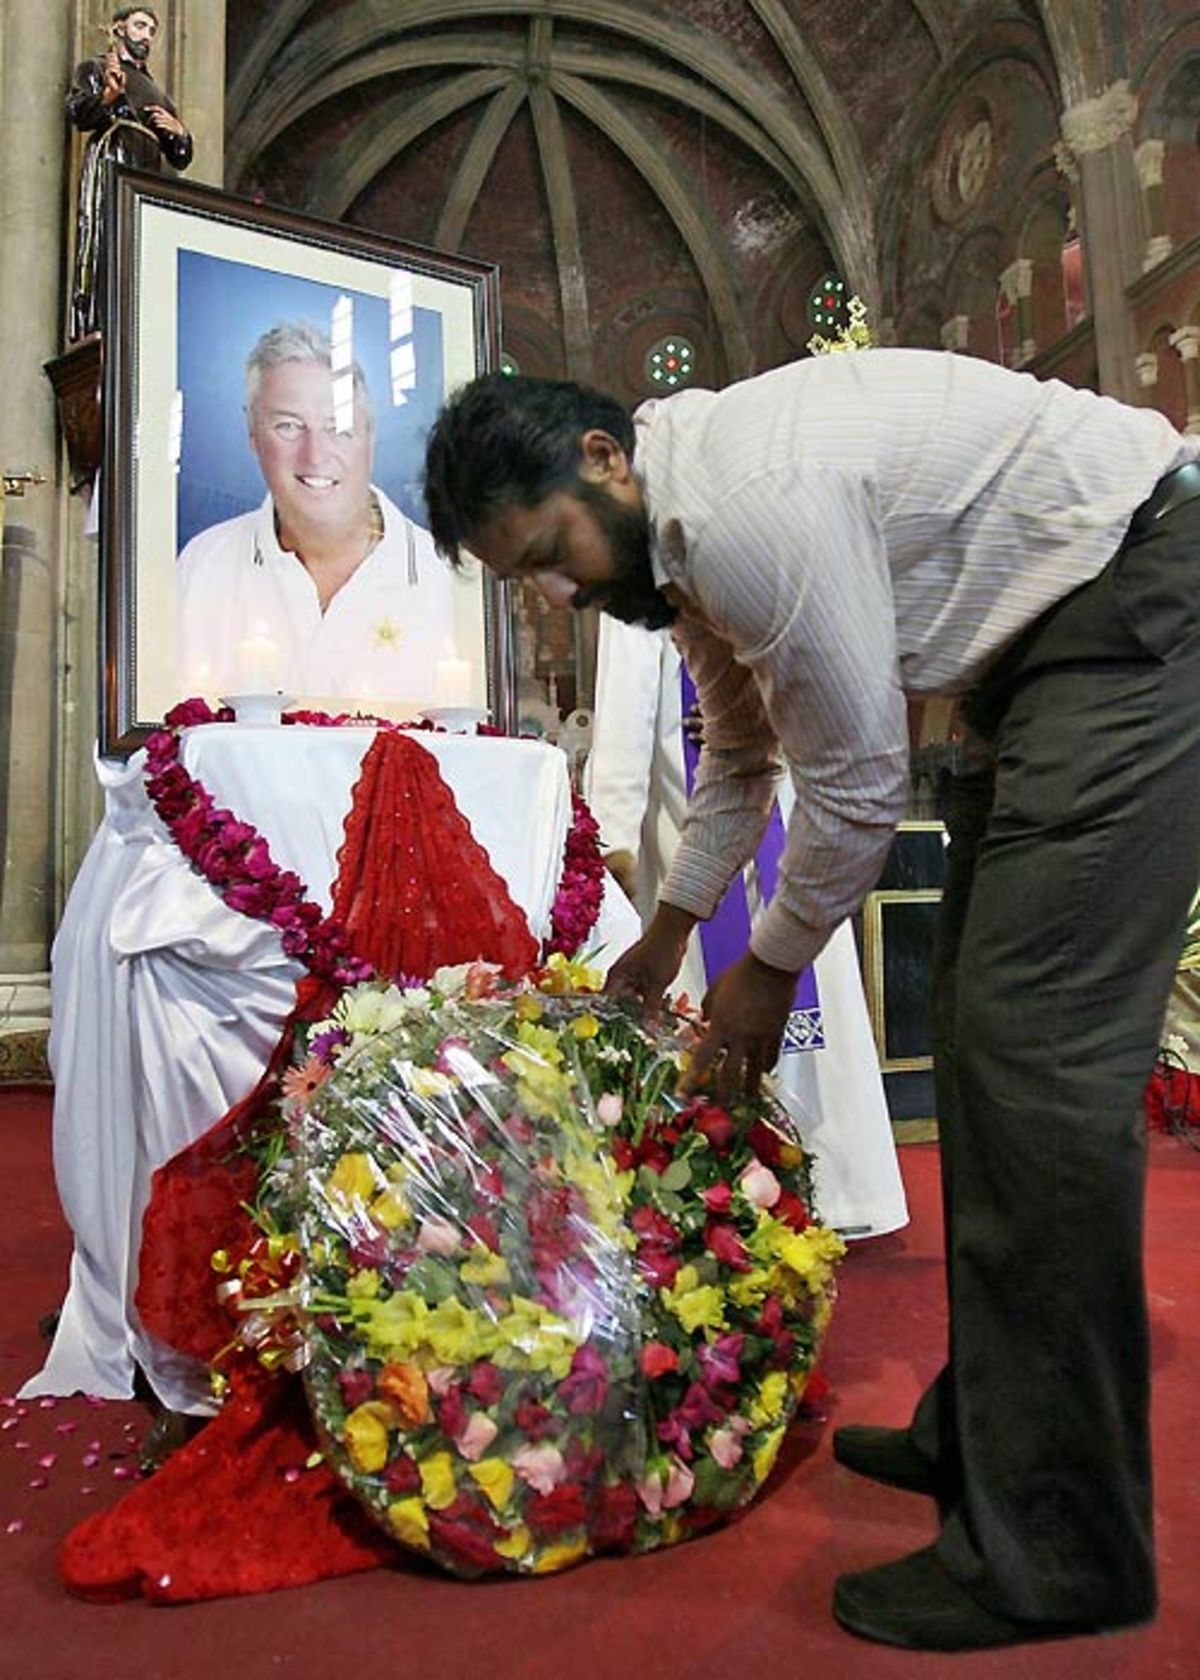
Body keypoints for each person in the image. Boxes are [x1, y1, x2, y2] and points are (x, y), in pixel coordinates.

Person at [422, 352, 1200, 1651]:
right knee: (987, 1055)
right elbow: (742, 755)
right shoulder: (679, 538)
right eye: (527, 581)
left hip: (1135, 613)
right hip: (1055, 647)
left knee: (1039, 1075)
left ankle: (1062, 1553)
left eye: (550, 553)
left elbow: (855, 783)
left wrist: (768, 968)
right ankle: (992, 1435)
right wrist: (670, 931)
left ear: (605, 462)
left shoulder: (742, 505)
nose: (557, 594)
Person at [586, 614, 907, 1238]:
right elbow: (625, 745)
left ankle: (822, 1187)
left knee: (796, 982)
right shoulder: (650, 595)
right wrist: (614, 859)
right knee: (706, 996)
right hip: (698, 813)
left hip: (789, 807)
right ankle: (729, 1183)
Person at [176, 321, 456, 708]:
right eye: (288, 427)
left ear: (370, 436)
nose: (315, 455)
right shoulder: (203, 566)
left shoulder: (442, 576)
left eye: (339, 428)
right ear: (253, 434)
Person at [67, 7, 193, 341]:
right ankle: (94, 324)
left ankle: (138, 331)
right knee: (105, 235)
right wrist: (108, 97)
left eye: (152, 30)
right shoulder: (95, 67)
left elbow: (180, 157)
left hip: (148, 170)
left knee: (141, 249)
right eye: (140, 26)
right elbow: (78, 113)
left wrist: (180, 133)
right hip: (113, 156)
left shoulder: (158, 94)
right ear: (119, 28)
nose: (146, 35)